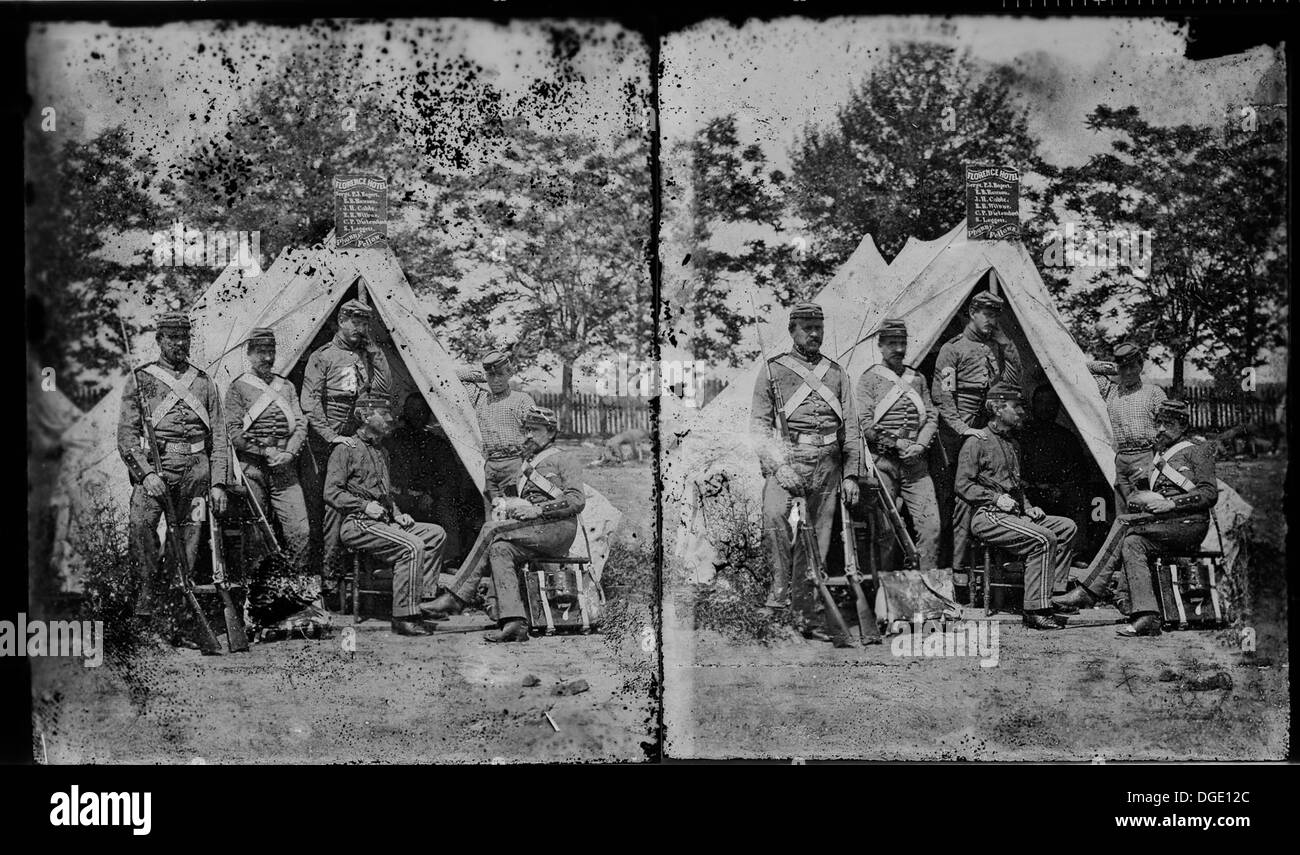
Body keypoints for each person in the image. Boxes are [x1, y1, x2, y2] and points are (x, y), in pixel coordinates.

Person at [1052, 400, 1217, 637]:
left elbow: (1209, 493)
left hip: (1190, 524)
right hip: (1163, 526)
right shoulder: (1158, 454)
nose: (1160, 429)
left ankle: (1088, 590)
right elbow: (1139, 496)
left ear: (1183, 425)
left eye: (1167, 424)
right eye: (1158, 423)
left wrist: (1172, 503)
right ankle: (1146, 615)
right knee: (1132, 543)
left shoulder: (1198, 451)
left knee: (1122, 522)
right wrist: (1143, 496)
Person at [422, 406, 586, 643]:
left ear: (550, 432)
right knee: (500, 549)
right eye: (526, 430)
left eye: (535, 430)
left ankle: (456, 597)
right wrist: (507, 502)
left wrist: (537, 509)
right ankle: (514, 622)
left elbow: (576, 500)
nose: (528, 435)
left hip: (558, 530)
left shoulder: (565, 458)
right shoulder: (526, 464)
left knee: (491, 529)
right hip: (534, 531)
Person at [750, 302, 861, 642]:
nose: (814, 334)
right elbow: (759, 427)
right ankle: (778, 597)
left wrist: (852, 473)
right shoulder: (773, 370)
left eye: (819, 328)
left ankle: (805, 613)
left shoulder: (838, 373)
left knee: (818, 541)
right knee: (774, 518)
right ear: (792, 330)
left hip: (828, 464)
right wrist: (778, 465)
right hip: (789, 460)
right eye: (807, 328)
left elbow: (852, 427)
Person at [117, 311, 229, 646]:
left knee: (187, 548)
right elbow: (126, 436)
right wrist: (147, 473)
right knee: (140, 526)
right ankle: (146, 610)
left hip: (196, 471)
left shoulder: (204, 381)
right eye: (172, 338)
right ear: (159, 340)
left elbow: (220, 435)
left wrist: (219, 481)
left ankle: (177, 622)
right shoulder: (141, 379)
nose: (179, 344)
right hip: (157, 469)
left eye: (184, 338)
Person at [956, 383, 1077, 630]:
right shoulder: (977, 441)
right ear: (998, 409)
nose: (1022, 412)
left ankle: (1054, 595)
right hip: (987, 515)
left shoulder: (1013, 444)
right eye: (1017, 406)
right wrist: (994, 498)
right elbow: (962, 485)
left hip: (1013, 513)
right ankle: (1034, 610)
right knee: (1043, 539)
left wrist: (1029, 505)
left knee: (1066, 528)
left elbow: (1015, 485)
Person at [324, 395, 447, 637]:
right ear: (365, 417)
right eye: (384, 413)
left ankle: (422, 602)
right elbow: (331, 492)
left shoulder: (382, 451)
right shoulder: (345, 449)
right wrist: (363, 506)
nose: (390, 418)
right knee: (412, 546)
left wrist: (398, 514)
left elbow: (385, 494)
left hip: (383, 521)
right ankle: (403, 617)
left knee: (435, 535)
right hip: (357, 522)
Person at [224, 327, 319, 629]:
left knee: (300, 530)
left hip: (285, 468)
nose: (267, 358)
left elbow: (300, 424)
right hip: (253, 467)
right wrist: (263, 452)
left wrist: (289, 453)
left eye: (271, 352)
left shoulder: (286, 387)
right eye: (260, 352)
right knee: (257, 535)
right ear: (249, 354)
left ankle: (295, 596)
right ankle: (257, 602)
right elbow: (232, 432)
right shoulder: (238, 388)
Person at [299, 299, 392, 596]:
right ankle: (328, 578)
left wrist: (375, 351)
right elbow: (310, 401)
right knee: (331, 508)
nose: (359, 329)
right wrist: (329, 435)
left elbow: (383, 388)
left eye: (364, 323)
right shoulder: (323, 356)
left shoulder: (367, 355)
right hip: (327, 443)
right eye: (354, 322)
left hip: (358, 441)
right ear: (341, 320)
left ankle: (364, 576)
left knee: (367, 500)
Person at [931, 291, 1022, 570]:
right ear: (972, 313)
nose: (991, 321)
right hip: (959, 430)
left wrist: (1005, 342)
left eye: (995, 315)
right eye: (986, 314)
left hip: (987, 427)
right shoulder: (953, 349)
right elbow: (943, 397)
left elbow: (1013, 379)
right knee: (959, 501)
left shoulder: (994, 346)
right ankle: (955, 569)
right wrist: (962, 429)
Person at [853, 317, 940, 570]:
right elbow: (865, 424)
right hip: (883, 465)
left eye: (902, 343)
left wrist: (921, 445)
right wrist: (898, 444)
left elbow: (932, 416)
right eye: (892, 343)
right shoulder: (869, 379)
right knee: (886, 532)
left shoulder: (918, 379)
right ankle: (885, 598)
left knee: (931, 527)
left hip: (916, 466)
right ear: (880, 346)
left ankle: (927, 595)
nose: (899, 349)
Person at [387, 391, 468, 559]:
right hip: (397, 498)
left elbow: (450, 477)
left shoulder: (436, 443)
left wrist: (431, 494)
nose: (415, 416)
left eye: (420, 412)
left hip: (427, 498)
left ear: (428, 414)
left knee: (447, 508)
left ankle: (449, 561)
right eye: (411, 411)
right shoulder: (392, 439)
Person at [1089, 341, 1167, 504]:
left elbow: (1167, 429)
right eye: (1124, 368)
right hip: (1121, 460)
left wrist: (1157, 461)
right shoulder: (1111, 391)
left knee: (1145, 507)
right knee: (1123, 509)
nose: (1129, 372)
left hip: (1146, 456)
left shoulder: (1153, 392)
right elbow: (1087, 368)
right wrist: (1114, 367)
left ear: (1141, 366)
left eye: (1133, 366)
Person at [1019, 384, 1092, 540]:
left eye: (1050, 403)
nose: (1045, 408)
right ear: (1033, 405)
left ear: (1057, 407)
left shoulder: (1066, 437)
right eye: (1040, 402)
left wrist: (1059, 488)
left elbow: (1078, 471)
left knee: (1078, 497)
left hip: (1057, 491)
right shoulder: (1023, 434)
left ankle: (1075, 551)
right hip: (1027, 490)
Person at [463, 350, 536, 500]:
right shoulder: (480, 398)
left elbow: (536, 434)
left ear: (509, 374)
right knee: (493, 511)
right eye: (491, 376)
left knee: (514, 511)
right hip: (490, 466)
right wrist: (485, 374)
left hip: (514, 464)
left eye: (501, 375)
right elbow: (458, 376)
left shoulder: (522, 400)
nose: (496, 380)